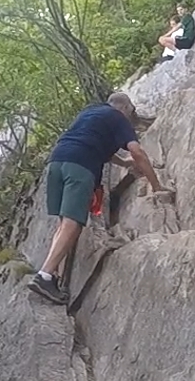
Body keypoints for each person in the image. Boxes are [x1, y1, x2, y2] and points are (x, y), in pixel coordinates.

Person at [29, 91, 169, 305]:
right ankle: (45, 276)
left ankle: (53, 276)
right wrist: (157, 186)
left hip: (57, 162)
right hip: (81, 166)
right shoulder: (119, 118)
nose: (131, 117)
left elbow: (97, 145)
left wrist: (124, 164)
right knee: (73, 223)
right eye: (131, 112)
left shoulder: (90, 113)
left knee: (63, 224)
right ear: (125, 108)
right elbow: (137, 151)